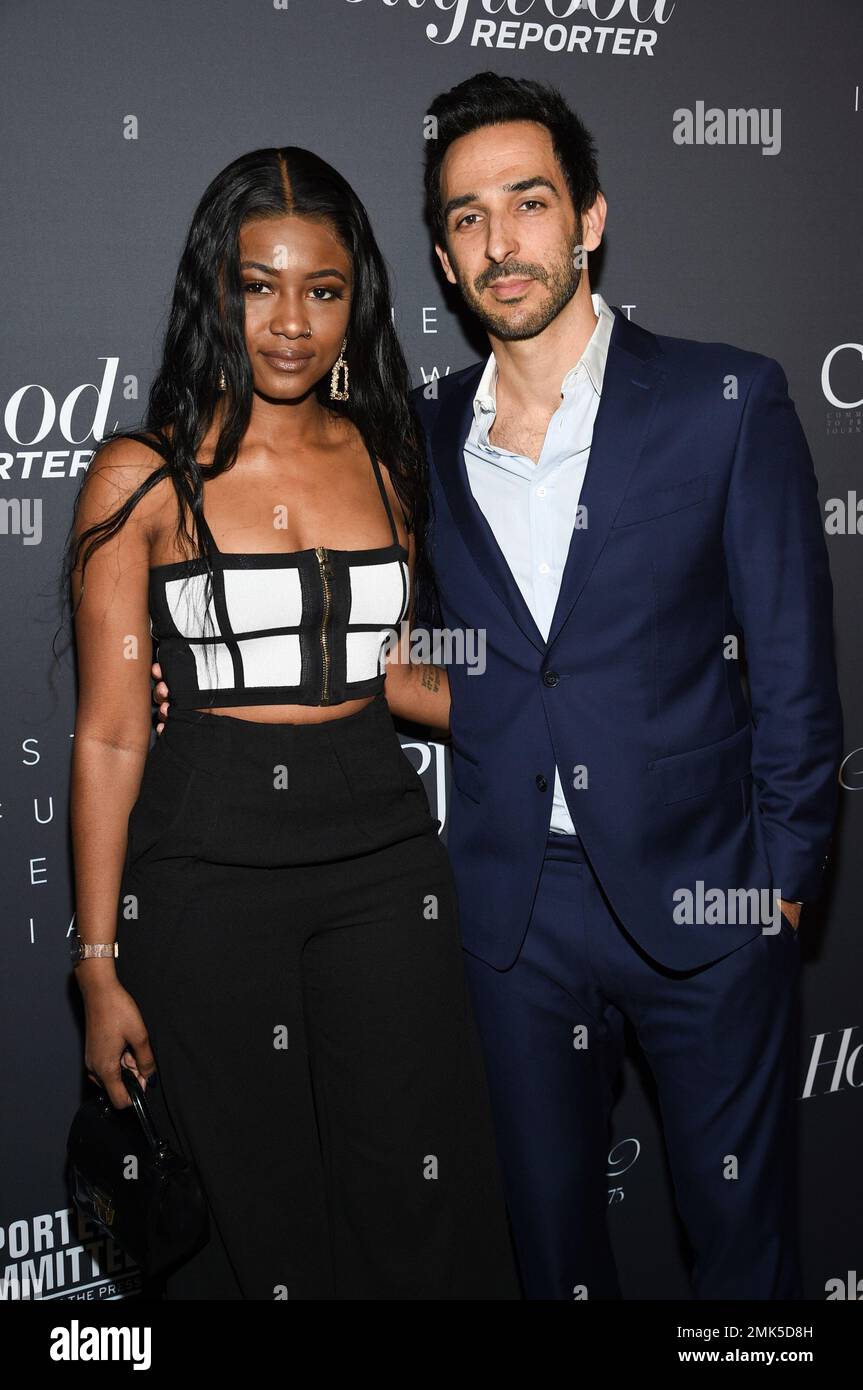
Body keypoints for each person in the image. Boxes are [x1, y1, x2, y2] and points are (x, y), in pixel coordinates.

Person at [156, 72, 843, 1300]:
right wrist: (193, 690)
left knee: (744, 1263)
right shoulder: (405, 438)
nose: (499, 239)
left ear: (586, 219)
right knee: (545, 1255)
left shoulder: (719, 402)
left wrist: (779, 897)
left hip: (705, 905)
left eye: (527, 203)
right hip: (507, 921)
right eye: (467, 216)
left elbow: (793, 676)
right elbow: (375, 640)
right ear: (440, 253)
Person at [65, 144, 520, 1301]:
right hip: (207, 869)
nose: (288, 321)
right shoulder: (140, 476)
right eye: (257, 283)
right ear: (213, 289)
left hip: (382, 858)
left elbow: (397, 674)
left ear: (355, 297)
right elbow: (114, 733)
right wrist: (97, 964)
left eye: (321, 289)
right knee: (256, 1209)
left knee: (414, 1191)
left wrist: (575, 720)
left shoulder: (387, 455)